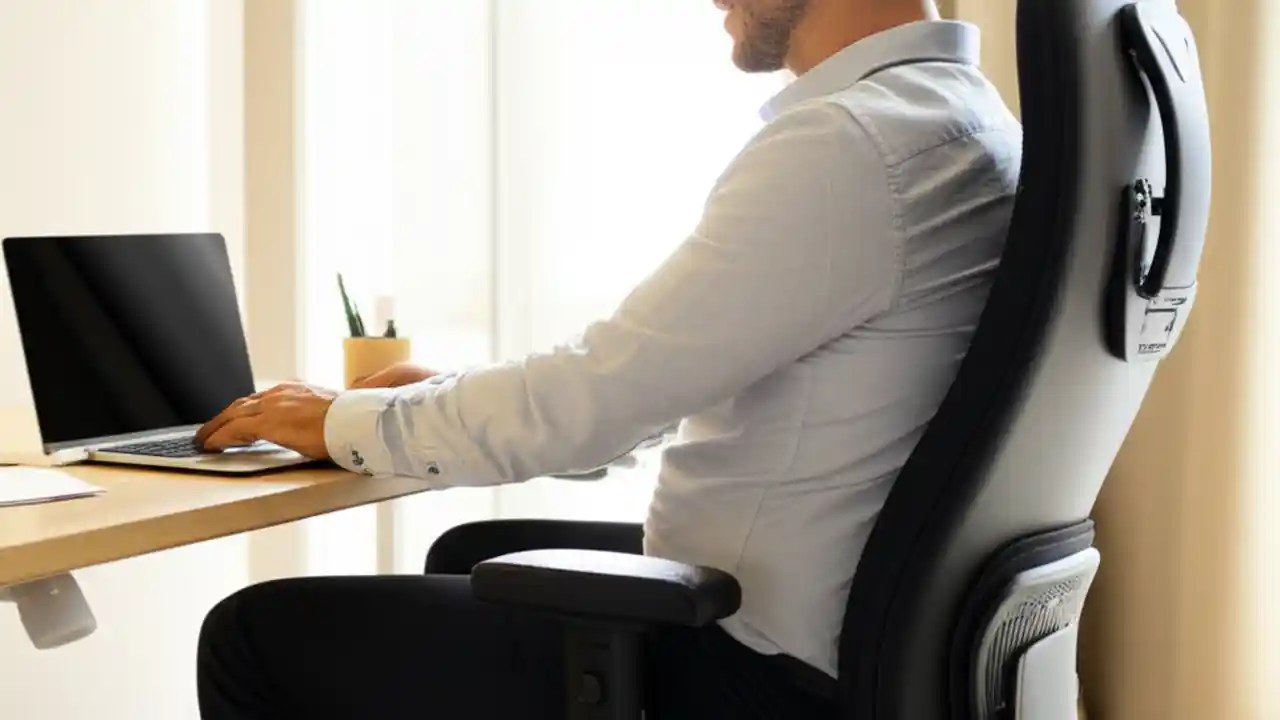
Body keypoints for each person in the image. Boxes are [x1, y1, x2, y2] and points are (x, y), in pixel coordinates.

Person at [195, 0, 1021, 717]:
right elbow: (663, 376)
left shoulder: (853, 145)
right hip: (867, 645)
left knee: (253, 637)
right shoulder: (962, 121)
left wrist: (343, 421)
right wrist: (432, 399)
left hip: (755, 669)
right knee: (472, 557)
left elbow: (594, 400)